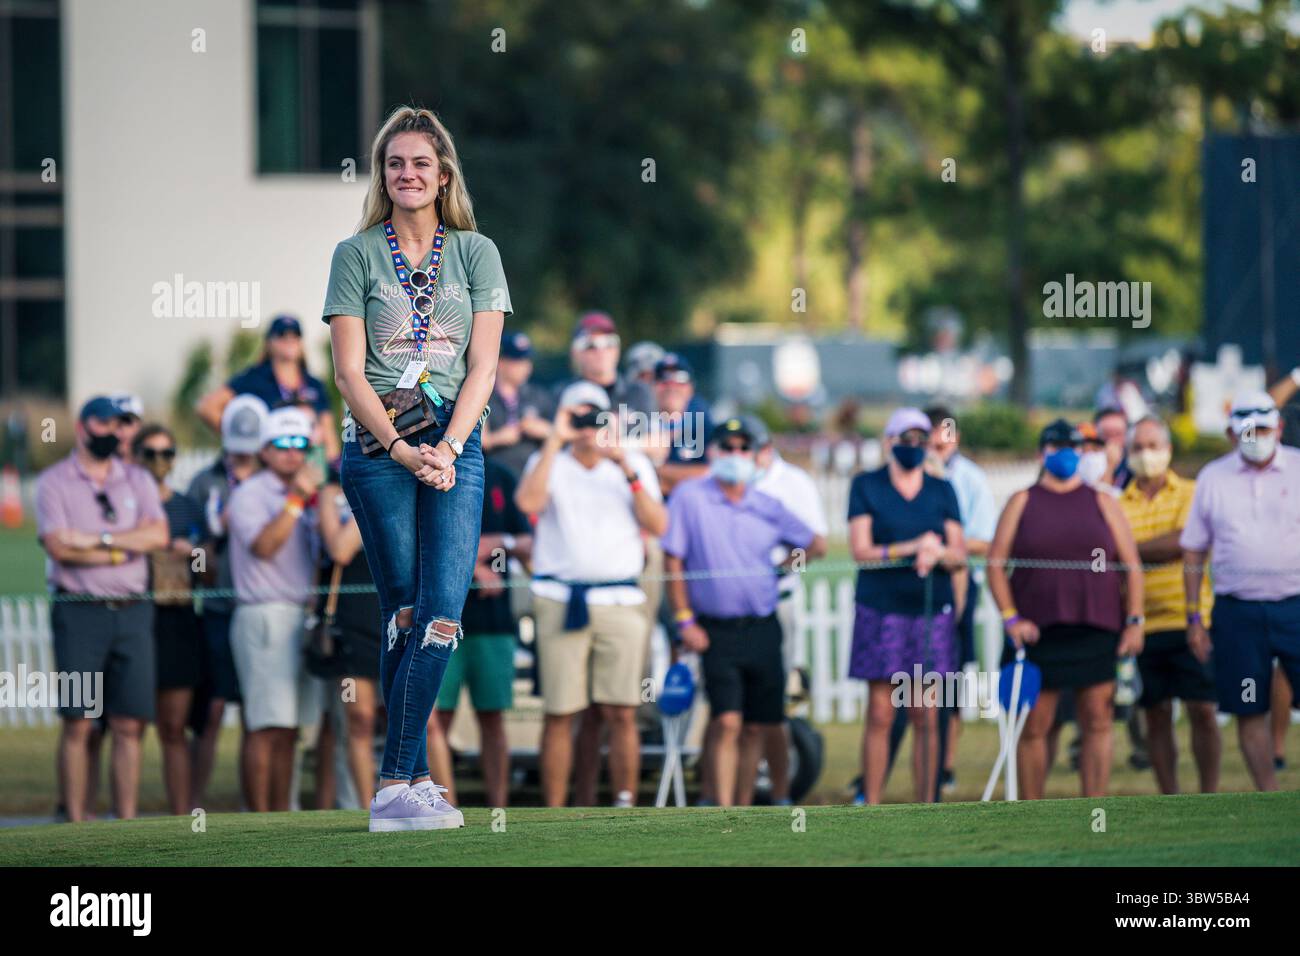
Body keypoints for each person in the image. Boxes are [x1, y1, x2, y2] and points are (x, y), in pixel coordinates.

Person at [325, 105, 510, 831]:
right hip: (379, 450)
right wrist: (403, 450)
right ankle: (403, 785)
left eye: (421, 164)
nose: (407, 174)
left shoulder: (476, 253)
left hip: (454, 446)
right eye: (395, 163)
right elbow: (347, 372)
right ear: (383, 175)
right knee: (403, 614)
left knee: (441, 616)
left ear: (443, 176)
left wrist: (450, 448)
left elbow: (485, 366)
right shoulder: (356, 254)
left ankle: (400, 782)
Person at [515, 381, 667, 808]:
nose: (586, 427)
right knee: (560, 711)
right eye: (576, 417)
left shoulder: (630, 463)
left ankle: (623, 801)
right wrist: (553, 441)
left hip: (619, 599)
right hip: (560, 598)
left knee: (622, 710)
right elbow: (529, 502)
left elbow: (659, 526)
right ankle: (556, 808)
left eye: (593, 417)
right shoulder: (548, 462)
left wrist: (625, 464)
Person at [664, 416, 824, 807]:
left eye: (742, 449)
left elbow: (814, 543)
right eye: (727, 448)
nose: (735, 456)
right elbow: (673, 562)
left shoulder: (766, 504)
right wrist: (684, 619)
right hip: (715, 628)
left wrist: (786, 566)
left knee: (759, 724)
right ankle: (721, 806)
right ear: (714, 452)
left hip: (763, 626)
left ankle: (744, 804)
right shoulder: (691, 497)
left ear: (754, 456)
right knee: (727, 719)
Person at [986, 418, 1145, 799]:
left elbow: (1131, 565)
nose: (1067, 454)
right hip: (1039, 632)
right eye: (1057, 446)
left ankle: (1094, 810)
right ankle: (1033, 814)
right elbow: (995, 564)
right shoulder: (1022, 501)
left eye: (1075, 447)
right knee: (1035, 725)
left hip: (1096, 627)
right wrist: (1011, 617)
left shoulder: (1102, 501)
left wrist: (1134, 621)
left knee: (1097, 719)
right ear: (1043, 452)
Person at [36, 396, 168, 822]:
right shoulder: (54, 482)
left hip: (133, 612)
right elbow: (59, 548)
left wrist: (99, 542)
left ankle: (125, 823)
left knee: (130, 723)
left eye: (120, 425)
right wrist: (125, 545)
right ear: (83, 427)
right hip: (80, 612)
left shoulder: (137, 480)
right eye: (105, 423)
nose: (113, 432)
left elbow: (157, 536)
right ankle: (76, 821)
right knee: (79, 721)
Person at [1181, 391, 1300, 792]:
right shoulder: (1213, 477)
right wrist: (1194, 617)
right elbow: (1195, 548)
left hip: (1295, 606)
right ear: (1232, 436)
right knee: (1249, 705)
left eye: (1262, 428)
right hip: (1237, 612)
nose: (1255, 436)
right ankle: (1270, 796)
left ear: (1279, 428)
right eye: (1246, 430)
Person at [847, 408, 966, 805]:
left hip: (929, 611)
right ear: (889, 442)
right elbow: (861, 551)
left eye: (920, 439)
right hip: (881, 609)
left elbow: (959, 554)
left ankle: (927, 804)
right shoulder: (866, 485)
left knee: (925, 712)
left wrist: (938, 552)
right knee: (881, 711)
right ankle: (873, 803)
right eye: (905, 439)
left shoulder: (942, 489)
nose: (913, 447)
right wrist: (911, 547)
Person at [883, 404, 996, 797]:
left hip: (954, 590)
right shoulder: (910, 476)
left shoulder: (968, 480)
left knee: (946, 688)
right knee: (901, 692)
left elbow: (980, 541)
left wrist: (948, 548)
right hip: (907, 595)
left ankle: (942, 769)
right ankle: (881, 779)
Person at [226, 407, 323, 812]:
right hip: (264, 613)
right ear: (264, 450)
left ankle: (283, 815)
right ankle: (259, 816)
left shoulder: (314, 495)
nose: (291, 453)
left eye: (300, 444)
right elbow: (264, 546)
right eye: (282, 444)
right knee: (265, 725)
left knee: (290, 729)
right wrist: (297, 500)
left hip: (301, 614)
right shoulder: (249, 494)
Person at [1118, 415, 1220, 794]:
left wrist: (1129, 553)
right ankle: (1169, 796)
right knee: (1155, 713)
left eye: (1152, 446)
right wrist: (1141, 554)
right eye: (1137, 447)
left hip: (1192, 619)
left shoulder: (1190, 493)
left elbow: (1186, 541)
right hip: (1143, 625)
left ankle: (1208, 794)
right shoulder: (1118, 502)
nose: (1145, 455)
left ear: (1168, 450)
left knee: (1202, 708)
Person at [434, 457, 533, 808]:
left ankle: (498, 806)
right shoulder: (429, 468)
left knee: (492, 717)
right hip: (441, 618)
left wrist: (496, 543)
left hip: (492, 622)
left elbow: (527, 543)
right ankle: (442, 805)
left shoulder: (501, 474)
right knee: (437, 718)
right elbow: (426, 536)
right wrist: (471, 564)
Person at [186, 394, 267, 806]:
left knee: (258, 712)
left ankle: (256, 805)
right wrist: (212, 542)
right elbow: (193, 551)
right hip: (219, 609)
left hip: (257, 604)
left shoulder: (272, 479)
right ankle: (193, 802)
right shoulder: (205, 482)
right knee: (213, 710)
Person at [751, 420, 829, 804]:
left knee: (772, 701)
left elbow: (813, 545)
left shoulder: (794, 483)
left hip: (776, 601)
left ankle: (778, 791)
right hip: (729, 605)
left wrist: (781, 568)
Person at [133, 424, 206, 815]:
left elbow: (208, 567)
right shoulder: (124, 503)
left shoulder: (186, 506)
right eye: (150, 454)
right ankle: (103, 818)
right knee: (121, 726)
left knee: (175, 728)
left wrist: (192, 552)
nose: (159, 462)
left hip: (176, 618)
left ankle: (181, 818)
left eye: (167, 453)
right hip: (133, 616)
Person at [315, 475, 383, 806]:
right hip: (353, 619)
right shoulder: (331, 491)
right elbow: (340, 549)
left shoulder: (407, 477)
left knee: (425, 722)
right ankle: (368, 806)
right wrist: (371, 493)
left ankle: (440, 801)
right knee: (360, 719)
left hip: (399, 613)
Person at [197, 314, 340, 461]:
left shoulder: (314, 384)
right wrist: (242, 438)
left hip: (306, 461)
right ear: (269, 342)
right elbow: (207, 407)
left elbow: (329, 435)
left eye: (295, 335)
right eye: (282, 335)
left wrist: (332, 468)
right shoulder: (255, 378)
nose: (289, 340)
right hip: (266, 465)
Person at [481, 329, 553, 477]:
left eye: (527, 361)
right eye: (517, 361)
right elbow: (478, 440)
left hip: (531, 474)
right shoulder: (485, 394)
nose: (524, 367)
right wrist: (498, 438)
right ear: (500, 362)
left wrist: (542, 429)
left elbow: (561, 433)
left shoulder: (539, 395)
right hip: (494, 475)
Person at [648, 352, 712, 496]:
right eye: (664, 380)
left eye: (680, 379)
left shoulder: (702, 422)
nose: (671, 386)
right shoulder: (639, 423)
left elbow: (709, 477)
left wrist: (657, 470)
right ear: (653, 386)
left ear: (690, 388)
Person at [1095, 406, 1134, 490]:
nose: (1112, 441)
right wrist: (1110, 467)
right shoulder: (1086, 464)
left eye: (1118, 434)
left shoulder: (1134, 465)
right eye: (1106, 435)